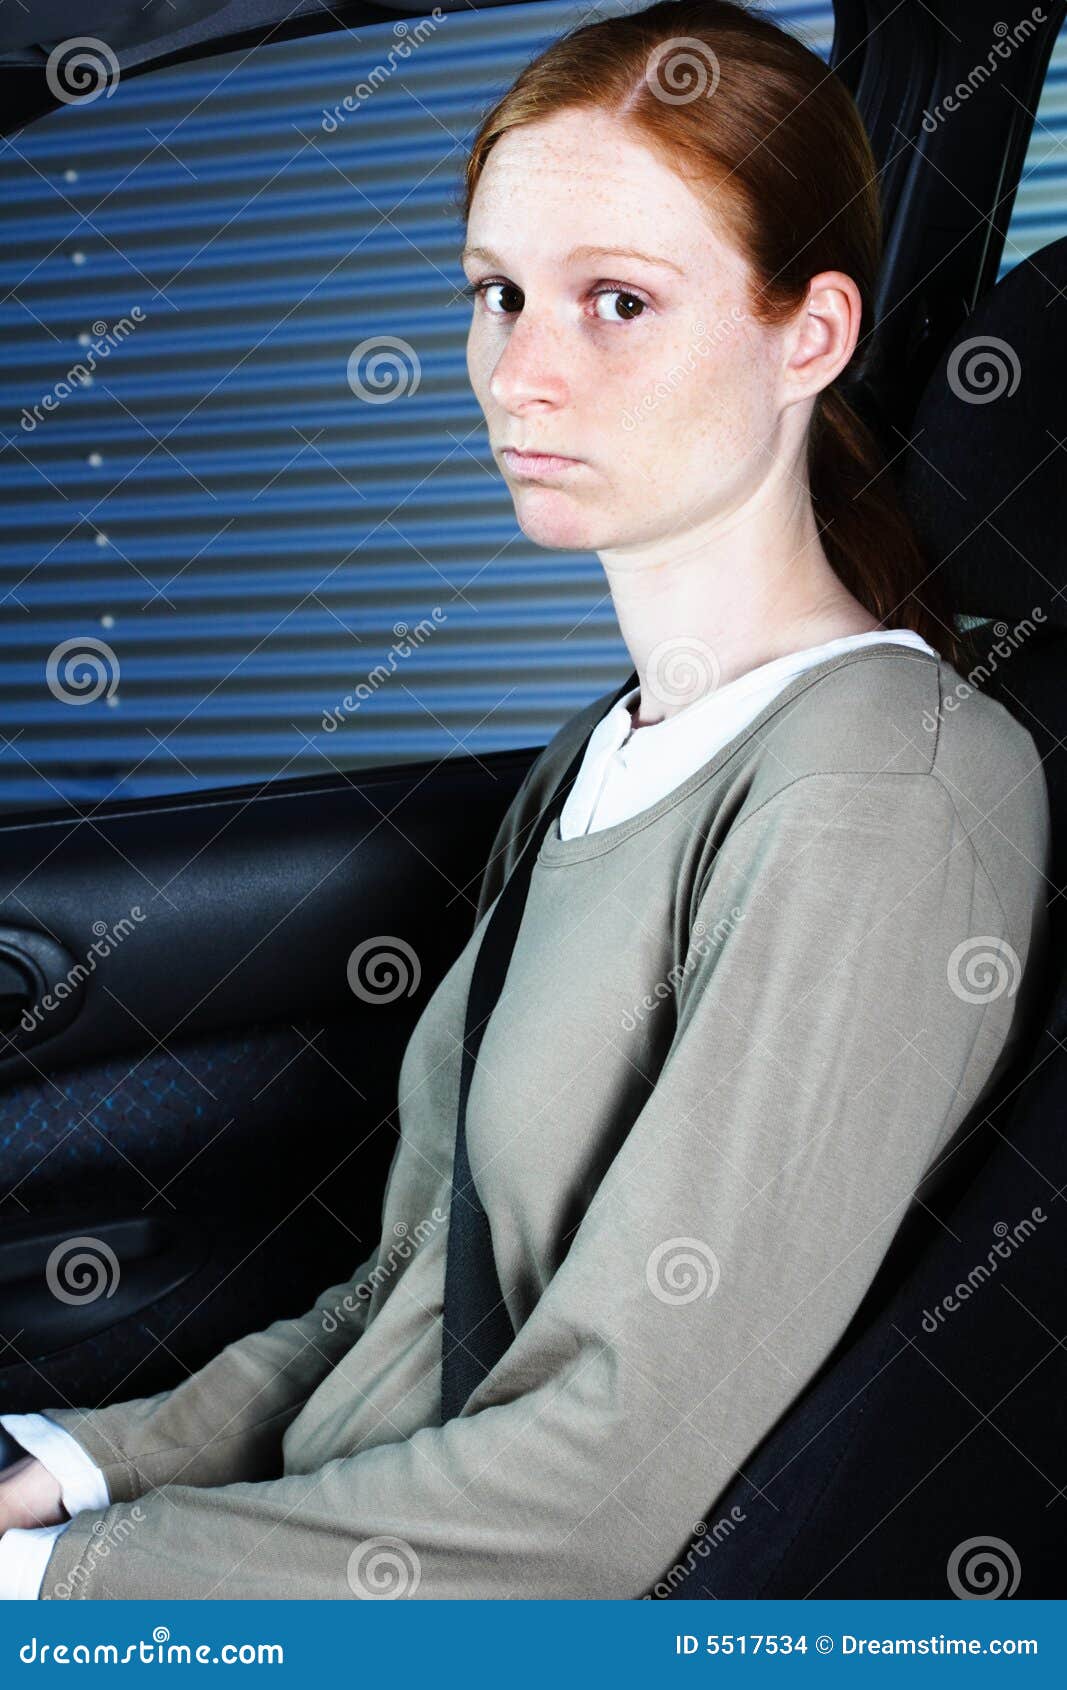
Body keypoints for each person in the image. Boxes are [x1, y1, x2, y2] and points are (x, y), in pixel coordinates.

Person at [0, 0, 1050, 1599]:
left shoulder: (873, 794)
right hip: (328, 1540)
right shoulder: (607, 751)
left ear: (812, 335)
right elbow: (404, 1297)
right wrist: (76, 1468)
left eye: (617, 300)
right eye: (497, 294)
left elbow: (596, 1492)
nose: (518, 374)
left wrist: (63, 1585)